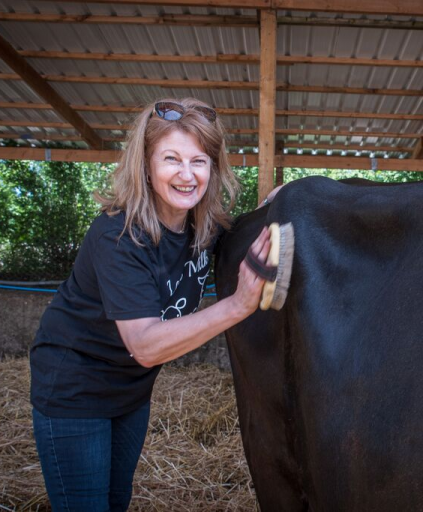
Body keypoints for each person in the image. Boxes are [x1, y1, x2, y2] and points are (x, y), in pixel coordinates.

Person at [30, 98, 277, 511]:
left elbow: (251, 231)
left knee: (115, 500)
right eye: (171, 159)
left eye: (199, 161)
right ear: (145, 164)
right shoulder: (118, 235)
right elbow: (144, 345)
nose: (186, 174)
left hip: (131, 391)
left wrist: (285, 202)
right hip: (75, 388)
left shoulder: (205, 227)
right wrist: (237, 306)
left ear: (213, 168)